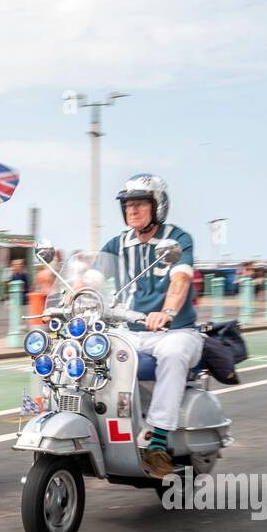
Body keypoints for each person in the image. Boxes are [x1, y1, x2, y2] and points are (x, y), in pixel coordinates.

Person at [92, 173, 202, 480]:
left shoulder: (177, 240)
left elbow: (180, 279)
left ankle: (159, 443)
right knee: (90, 349)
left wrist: (166, 311)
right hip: (129, 331)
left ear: (158, 206)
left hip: (174, 330)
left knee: (175, 353)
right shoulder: (117, 244)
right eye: (127, 205)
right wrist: (69, 297)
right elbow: (91, 279)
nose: (132, 210)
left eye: (140, 204)